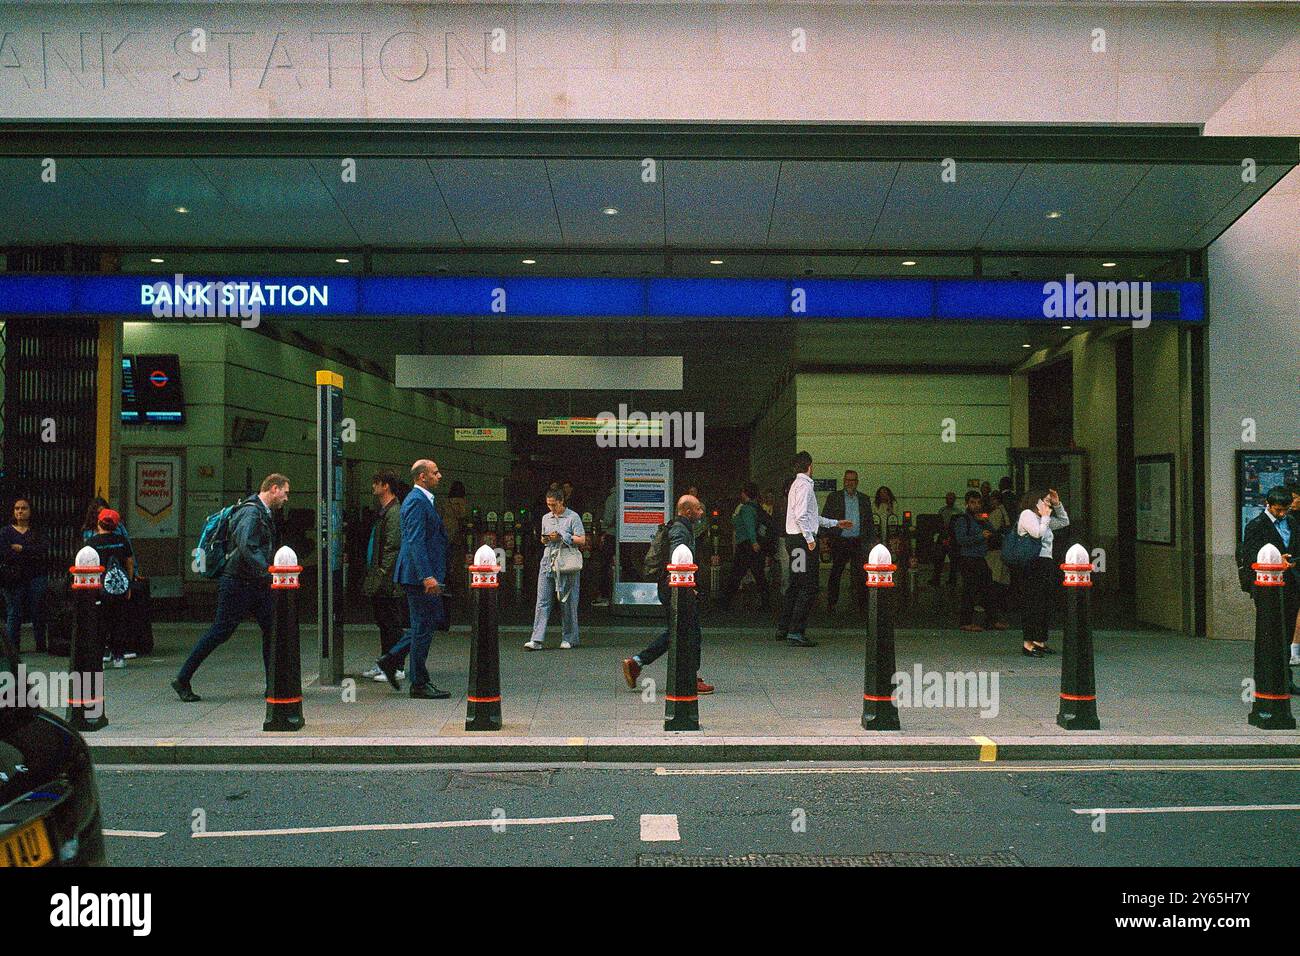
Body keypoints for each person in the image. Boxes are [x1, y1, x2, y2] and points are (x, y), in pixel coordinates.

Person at [173, 474, 289, 700]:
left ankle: (273, 685)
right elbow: (247, 545)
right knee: (220, 632)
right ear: (274, 489)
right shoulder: (251, 512)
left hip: (252, 582)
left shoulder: (260, 511)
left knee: (271, 629)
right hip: (239, 583)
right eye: (285, 492)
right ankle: (182, 678)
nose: (286, 498)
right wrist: (267, 571)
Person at [622, 495, 714, 694]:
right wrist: (686, 585)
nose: (701, 512)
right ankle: (691, 678)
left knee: (678, 630)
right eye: (698, 509)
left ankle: (637, 663)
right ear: (688, 511)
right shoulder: (681, 531)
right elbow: (678, 556)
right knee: (691, 632)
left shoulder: (678, 526)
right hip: (675, 587)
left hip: (670, 586)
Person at [375, 460, 451, 699]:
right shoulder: (417, 502)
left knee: (425, 624)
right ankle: (418, 682)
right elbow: (416, 541)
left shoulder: (422, 499)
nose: (440, 476)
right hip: (419, 576)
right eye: (435, 473)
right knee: (423, 626)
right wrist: (426, 576)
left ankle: (391, 659)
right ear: (421, 477)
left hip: (420, 574)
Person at [778, 452, 853, 647]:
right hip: (802, 543)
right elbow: (803, 517)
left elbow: (811, 517)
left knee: (796, 584)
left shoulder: (796, 485)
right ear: (809, 466)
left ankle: (784, 627)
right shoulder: (805, 486)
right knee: (808, 586)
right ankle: (796, 631)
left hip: (795, 541)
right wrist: (810, 539)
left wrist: (836, 523)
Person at [1238, 485, 1299, 692]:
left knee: (1287, 633)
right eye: (1277, 510)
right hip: (1267, 586)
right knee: (1270, 631)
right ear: (1268, 505)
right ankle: (1268, 679)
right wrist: (1274, 560)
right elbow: (1250, 554)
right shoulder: (1257, 525)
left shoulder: (1292, 523)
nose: (1281, 514)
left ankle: (1285, 677)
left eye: (1285, 509)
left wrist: (1293, 562)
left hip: (1291, 583)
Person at [525, 487, 587, 650]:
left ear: (561, 502)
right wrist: (546, 539)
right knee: (542, 600)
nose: (551, 508)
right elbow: (543, 538)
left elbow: (581, 540)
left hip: (566, 559)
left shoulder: (573, 517)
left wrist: (563, 536)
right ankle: (537, 639)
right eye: (548, 505)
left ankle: (570, 637)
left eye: (554, 505)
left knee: (567, 600)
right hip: (549, 558)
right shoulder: (546, 518)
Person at [361, 470, 407, 683]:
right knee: (384, 622)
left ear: (385, 486)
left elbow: (392, 547)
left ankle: (395, 666)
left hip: (388, 580)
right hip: (382, 576)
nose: (373, 487)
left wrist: (380, 575)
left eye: (376, 483)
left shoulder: (394, 512)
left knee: (391, 623)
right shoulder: (385, 511)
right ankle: (384, 663)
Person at [1015, 488, 1069, 657]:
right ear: (1035, 501)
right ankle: (1028, 643)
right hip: (1032, 563)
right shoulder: (1027, 515)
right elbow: (1037, 533)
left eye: (1048, 501)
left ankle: (1039, 640)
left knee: (1044, 602)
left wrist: (1057, 504)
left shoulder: (1042, 518)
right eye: (1045, 500)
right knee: (1032, 602)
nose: (1048, 503)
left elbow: (1064, 522)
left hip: (1045, 562)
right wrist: (1045, 516)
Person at [0, 497, 51, 654]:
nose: (20, 511)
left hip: (36, 576)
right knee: (14, 611)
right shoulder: (6, 532)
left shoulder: (37, 531)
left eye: (23, 508)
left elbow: (42, 550)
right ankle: (13, 647)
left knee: (37, 610)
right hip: (13, 577)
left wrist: (22, 549)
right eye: (17, 508)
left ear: (30, 511)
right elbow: (5, 552)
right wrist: (29, 552)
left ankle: (41, 644)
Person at [86, 509, 134, 668]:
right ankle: (119, 656)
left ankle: (102, 654)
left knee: (101, 621)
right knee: (119, 621)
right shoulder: (122, 541)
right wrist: (128, 584)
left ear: (99, 522)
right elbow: (129, 563)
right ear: (116, 524)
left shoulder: (92, 543)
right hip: (119, 588)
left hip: (100, 589)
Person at [821, 470, 874, 614]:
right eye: (847, 480)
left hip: (858, 541)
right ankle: (832, 603)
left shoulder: (864, 499)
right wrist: (825, 537)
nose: (850, 483)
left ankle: (862, 605)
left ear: (857, 482)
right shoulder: (834, 497)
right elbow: (826, 517)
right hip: (840, 540)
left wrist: (871, 540)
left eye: (853, 480)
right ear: (844, 481)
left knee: (861, 574)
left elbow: (869, 521)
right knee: (836, 572)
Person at [952, 490, 1004, 632]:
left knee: (988, 589)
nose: (976, 505)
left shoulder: (980, 520)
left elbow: (993, 532)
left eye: (978, 502)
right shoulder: (962, 520)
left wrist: (985, 522)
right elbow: (961, 540)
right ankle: (966, 622)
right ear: (967, 504)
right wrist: (980, 536)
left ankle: (991, 620)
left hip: (980, 558)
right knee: (970, 590)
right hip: (968, 558)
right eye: (972, 503)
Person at [719, 481, 770, 612]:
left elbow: (749, 527)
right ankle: (766, 603)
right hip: (753, 545)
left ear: (745, 494)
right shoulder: (756, 507)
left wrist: (753, 542)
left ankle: (725, 603)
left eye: (742, 491)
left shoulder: (746, 508)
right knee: (759, 575)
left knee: (736, 575)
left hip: (747, 545)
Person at [441, 480, 470, 623]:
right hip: (456, 537)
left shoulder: (445, 503)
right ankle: (455, 590)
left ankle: (446, 587)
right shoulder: (462, 502)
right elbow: (463, 515)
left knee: (445, 564)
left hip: (445, 536)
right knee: (456, 564)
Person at [984, 489, 1013, 628]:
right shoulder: (1005, 511)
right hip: (1005, 548)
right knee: (1004, 578)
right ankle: (1003, 606)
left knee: (995, 578)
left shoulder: (996, 513)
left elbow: (991, 530)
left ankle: (995, 610)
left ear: (996, 500)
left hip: (995, 550)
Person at [594, 485, 617, 607]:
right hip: (625, 535)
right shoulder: (623, 495)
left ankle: (604, 595)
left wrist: (603, 526)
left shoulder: (612, 498)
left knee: (604, 565)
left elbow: (608, 518)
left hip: (611, 534)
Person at [931, 492, 959, 588]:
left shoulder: (958, 512)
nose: (949, 500)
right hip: (943, 536)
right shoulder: (941, 510)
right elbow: (938, 524)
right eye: (948, 498)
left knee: (954, 560)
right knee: (938, 559)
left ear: (954, 499)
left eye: (951, 498)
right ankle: (936, 579)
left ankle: (952, 580)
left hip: (953, 537)